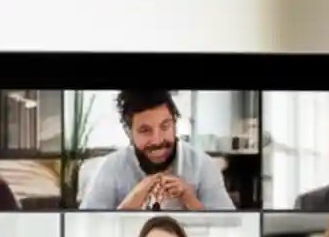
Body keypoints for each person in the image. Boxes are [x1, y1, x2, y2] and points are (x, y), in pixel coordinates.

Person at [80, 90, 235, 211]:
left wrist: (190, 200)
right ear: (129, 132)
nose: (157, 140)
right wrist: (131, 202)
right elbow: (87, 228)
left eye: (165, 126)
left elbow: (229, 227)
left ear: (175, 123)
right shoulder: (111, 168)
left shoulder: (202, 166)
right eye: (145, 130)